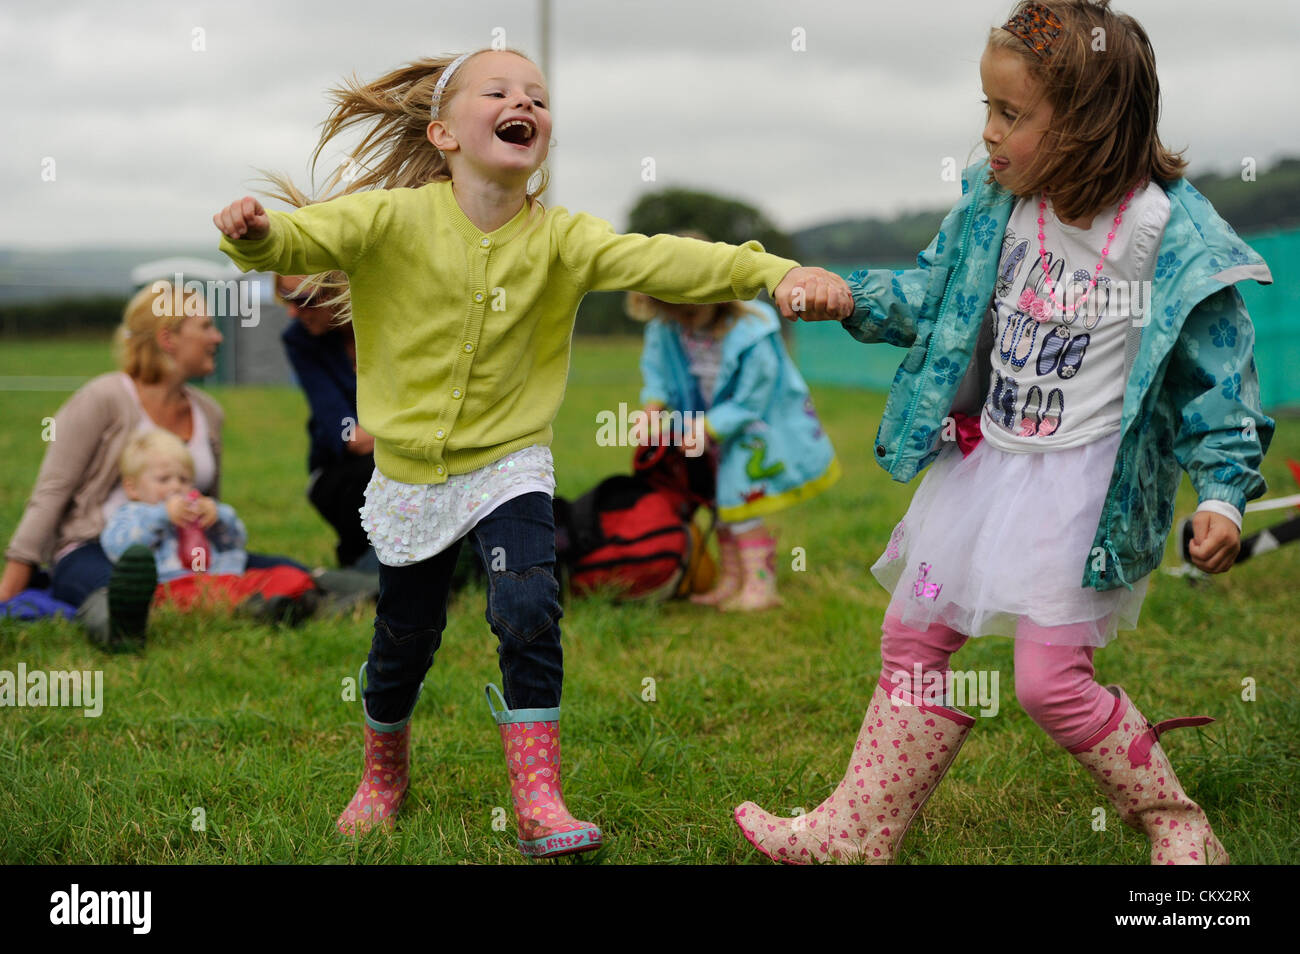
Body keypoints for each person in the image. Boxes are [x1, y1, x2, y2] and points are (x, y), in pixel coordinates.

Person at [213, 49, 852, 858]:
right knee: (403, 639)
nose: (525, 103)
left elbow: (665, 258)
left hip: (511, 462)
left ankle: (539, 799)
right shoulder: (390, 218)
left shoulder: (563, 239)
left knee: (526, 609)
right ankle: (382, 776)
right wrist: (259, 235)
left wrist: (776, 271)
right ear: (443, 132)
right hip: (410, 471)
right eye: (501, 92)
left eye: (539, 98)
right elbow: (300, 241)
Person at [735, 0, 1272, 865]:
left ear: (1092, 125)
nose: (988, 134)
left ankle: (1178, 826)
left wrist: (1221, 494)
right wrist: (848, 296)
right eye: (985, 108)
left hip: (1084, 489)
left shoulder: (1165, 236)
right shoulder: (997, 205)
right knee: (910, 636)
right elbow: (929, 297)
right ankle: (855, 834)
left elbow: (1219, 379)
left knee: (1049, 685)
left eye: (1010, 115)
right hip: (986, 468)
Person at [0, 281, 310, 646]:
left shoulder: (208, 412)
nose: (218, 338)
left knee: (289, 570)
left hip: (177, 550)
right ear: (168, 338)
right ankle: (122, 627)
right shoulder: (104, 398)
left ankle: (352, 589)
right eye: (206, 327)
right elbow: (51, 493)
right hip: (94, 548)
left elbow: (205, 501)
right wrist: (10, 588)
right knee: (119, 589)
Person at [632, 273, 841, 610]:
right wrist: (652, 408)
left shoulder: (752, 331)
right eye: (671, 309)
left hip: (752, 430)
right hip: (705, 429)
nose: (681, 318)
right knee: (721, 504)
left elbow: (752, 399)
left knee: (741, 503)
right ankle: (732, 581)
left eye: (689, 309)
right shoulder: (664, 328)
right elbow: (656, 373)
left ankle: (761, 586)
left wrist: (709, 427)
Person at [100, 430, 319, 624]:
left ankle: (297, 598)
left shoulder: (200, 509)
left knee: (283, 574)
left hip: (223, 577)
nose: (176, 486)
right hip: (174, 585)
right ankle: (266, 609)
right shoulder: (132, 514)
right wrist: (163, 515)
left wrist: (218, 516)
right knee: (202, 597)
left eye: (184, 479)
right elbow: (119, 548)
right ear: (132, 488)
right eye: (164, 479)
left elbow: (236, 542)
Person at [276, 273, 379, 571]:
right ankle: (366, 560)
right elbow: (350, 435)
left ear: (342, 290)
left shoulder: (389, 321)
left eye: (303, 300)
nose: (293, 312)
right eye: (286, 300)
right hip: (341, 469)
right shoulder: (299, 339)